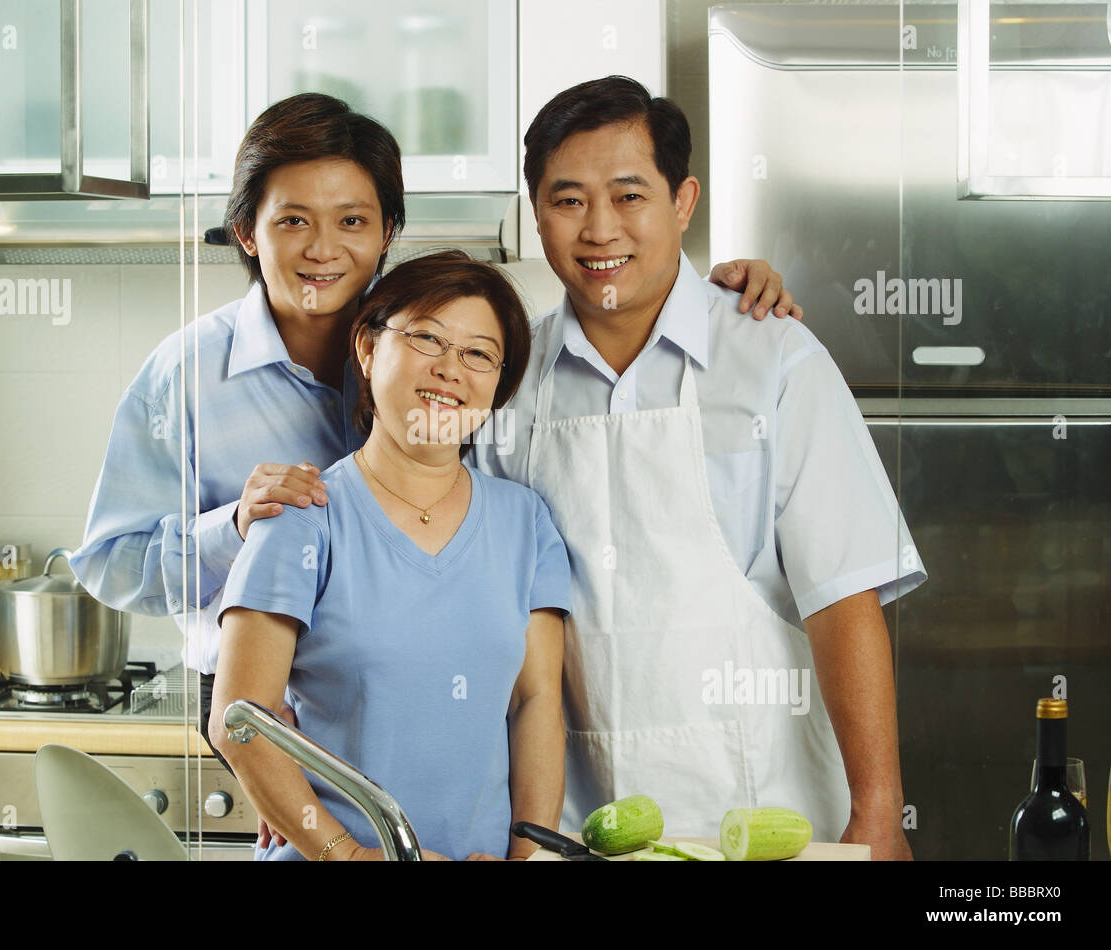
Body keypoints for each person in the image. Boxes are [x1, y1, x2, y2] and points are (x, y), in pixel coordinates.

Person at [68, 92, 802, 776]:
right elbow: (108, 563)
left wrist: (709, 294)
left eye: (352, 221)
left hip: (431, 688)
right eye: (292, 220)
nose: (324, 248)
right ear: (246, 232)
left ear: (388, 232)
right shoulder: (187, 376)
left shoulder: (425, 351)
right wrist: (237, 526)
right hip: (264, 694)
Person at [470, 76, 928, 860]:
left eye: (629, 195)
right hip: (572, 827)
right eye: (568, 200)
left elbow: (843, 594)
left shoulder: (773, 358)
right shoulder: (502, 375)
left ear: (683, 203)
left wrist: (880, 811)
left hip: (764, 819)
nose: (599, 229)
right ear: (535, 211)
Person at [209, 251, 570, 861]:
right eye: (427, 338)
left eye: (479, 354)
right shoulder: (302, 517)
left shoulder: (525, 522)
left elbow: (536, 702)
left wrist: (524, 856)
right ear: (369, 349)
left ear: (498, 384)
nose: (450, 369)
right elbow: (239, 722)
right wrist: (352, 856)